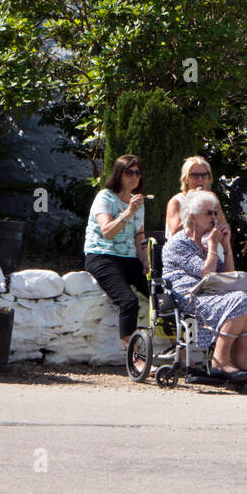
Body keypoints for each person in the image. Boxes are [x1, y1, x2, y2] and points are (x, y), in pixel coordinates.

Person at [161, 190, 247, 381]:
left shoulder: (208, 242)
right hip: (187, 297)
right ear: (192, 217)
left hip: (210, 294)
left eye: (215, 213)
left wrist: (226, 247)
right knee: (239, 300)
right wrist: (214, 247)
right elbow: (205, 273)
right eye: (208, 213)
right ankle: (219, 361)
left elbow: (228, 277)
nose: (214, 217)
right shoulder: (179, 243)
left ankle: (239, 360)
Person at [84, 154, 151, 368]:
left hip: (128, 258)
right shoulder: (105, 197)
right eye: (129, 172)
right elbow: (107, 232)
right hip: (102, 255)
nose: (134, 177)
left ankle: (179, 351)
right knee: (128, 301)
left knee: (160, 295)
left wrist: (146, 263)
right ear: (118, 174)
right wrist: (129, 211)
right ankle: (135, 358)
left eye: (137, 173)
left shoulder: (138, 203)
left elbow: (139, 238)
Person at [165, 156, 235, 268]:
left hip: (212, 248)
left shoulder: (212, 199)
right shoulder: (176, 201)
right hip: (187, 254)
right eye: (194, 175)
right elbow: (175, 233)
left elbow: (223, 225)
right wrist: (191, 204)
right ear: (185, 179)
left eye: (204, 175)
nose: (200, 179)